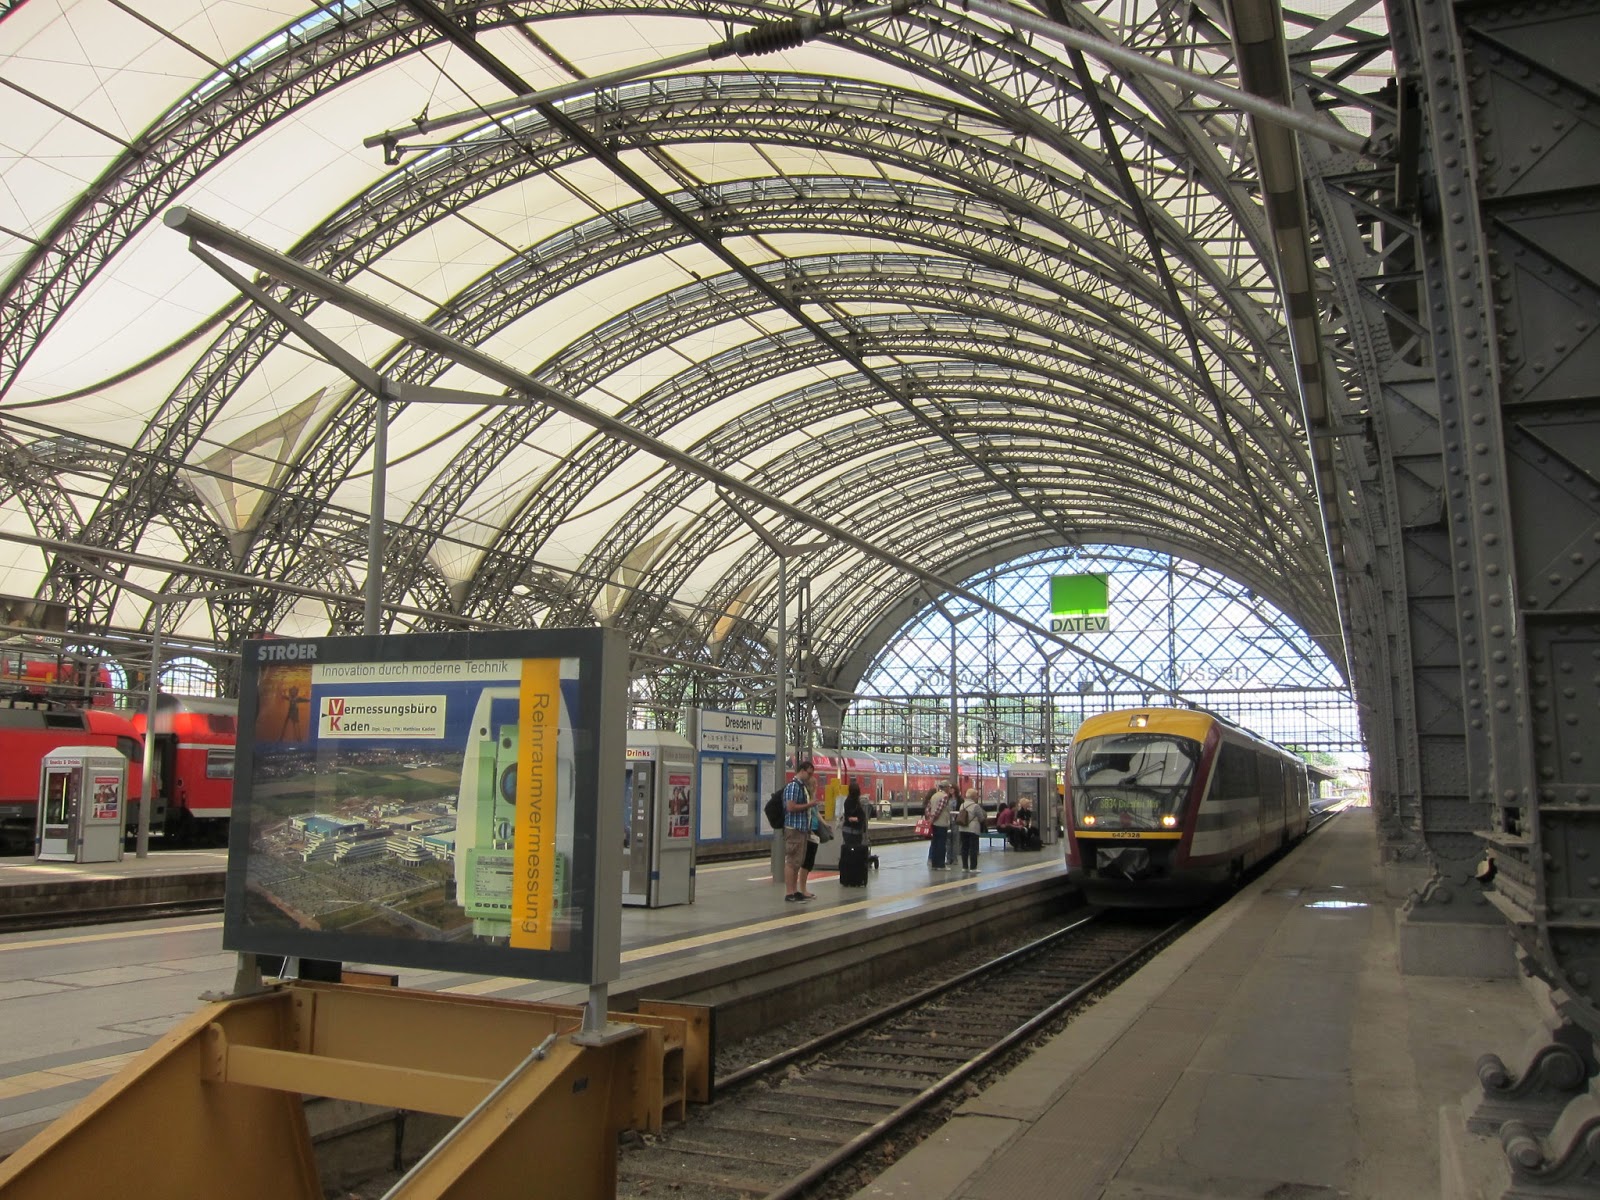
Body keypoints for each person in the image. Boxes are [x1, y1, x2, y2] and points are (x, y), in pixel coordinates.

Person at [783, 760, 822, 902]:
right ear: (802, 770)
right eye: (809, 773)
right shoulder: (793, 786)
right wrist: (809, 805)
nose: (810, 777)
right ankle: (789, 893)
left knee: (797, 862)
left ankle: (794, 891)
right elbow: (790, 807)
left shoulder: (801, 786)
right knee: (791, 861)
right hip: (794, 829)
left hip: (801, 830)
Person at [957, 787, 984, 871]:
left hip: (962, 828)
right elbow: (981, 818)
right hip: (973, 830)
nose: (977, 797)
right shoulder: (976, 806)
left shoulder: (962, 805)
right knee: (973, 848)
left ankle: (964, 867)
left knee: (964, 848)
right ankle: (973, 867)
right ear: (973, 796)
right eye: (977, 795)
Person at [926, 785, 951, 869]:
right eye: (949, 787)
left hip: (934, 824)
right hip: (941, 823)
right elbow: (939, 810)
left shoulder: (934, 795)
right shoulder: (944, 796)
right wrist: (933, 818)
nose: (949, 789)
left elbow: (927, 809)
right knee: (941, 844)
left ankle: (934, 864)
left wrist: (930, 819)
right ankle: (941, 865)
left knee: (935, 843)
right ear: (946, 788)